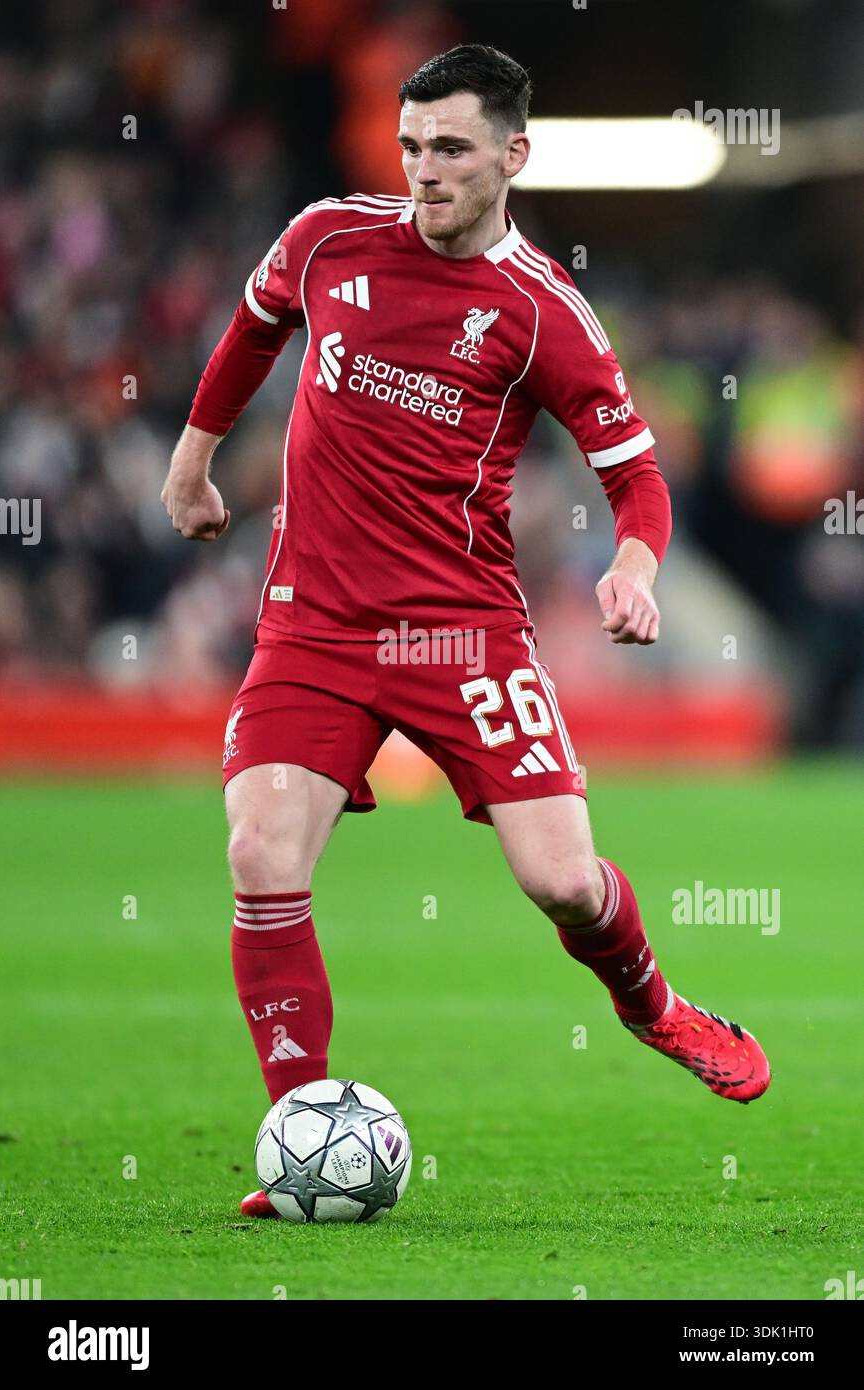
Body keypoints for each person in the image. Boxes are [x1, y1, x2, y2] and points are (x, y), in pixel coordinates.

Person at [161, 44, 771, 1217]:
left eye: (449, 148)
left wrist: (632, 568)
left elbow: (635, 476)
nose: (424, 170)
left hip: (463, 632)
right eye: (410, 147)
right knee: (259, 855)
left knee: (564, 882)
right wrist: (191, 465)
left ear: (510, 155)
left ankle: (655, 1008)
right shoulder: (327, 239)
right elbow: (250, 330)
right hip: (315, 626)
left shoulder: (543, 310)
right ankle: (299, 1135)